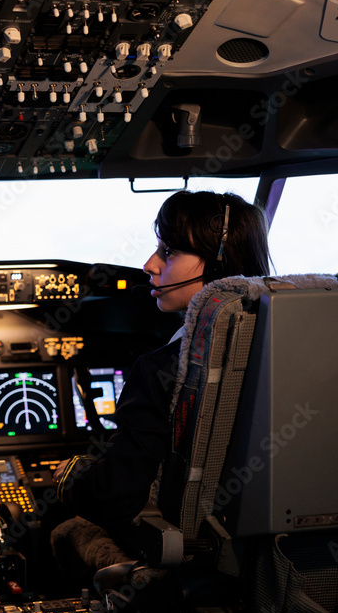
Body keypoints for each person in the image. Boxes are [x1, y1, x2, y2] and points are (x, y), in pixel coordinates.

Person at [52, 190, 271, 542]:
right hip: (264, 546)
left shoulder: (164, 368)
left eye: (168, 252)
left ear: (218, 263)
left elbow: (116, 497)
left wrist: (75, 476)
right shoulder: (277, 349)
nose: (150, 265)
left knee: (65, 533)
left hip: (187, 550)